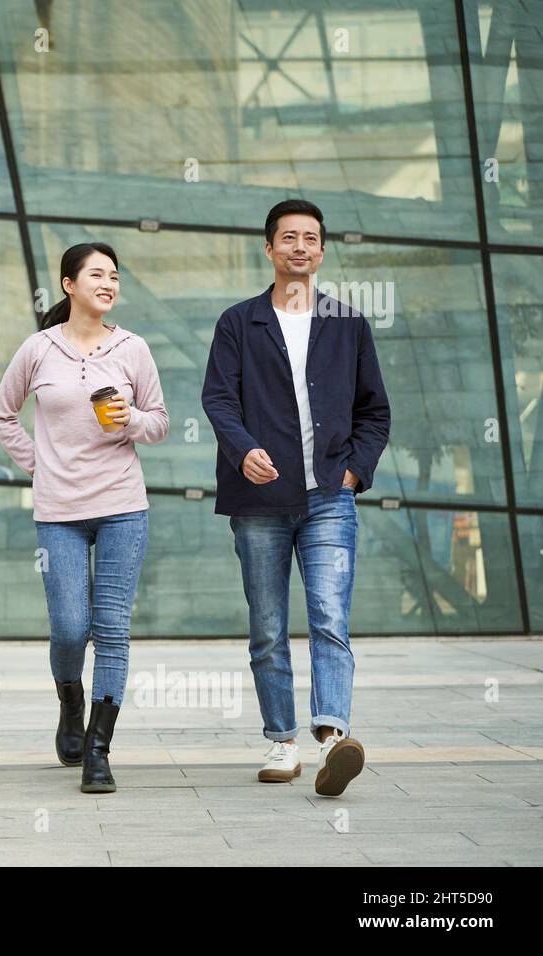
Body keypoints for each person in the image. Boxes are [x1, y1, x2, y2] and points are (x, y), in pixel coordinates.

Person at [201, 199, 390, 796]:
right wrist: (242, 449)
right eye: (288, 238)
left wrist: (355, 473)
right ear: (269, 249)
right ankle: (281, 741)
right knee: (267, 625)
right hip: (259, 501)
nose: (300, 247)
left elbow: (375, 412)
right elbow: (218, 399)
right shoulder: (239, 322)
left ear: (323, 250)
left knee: (331, 618)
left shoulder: (348, 324)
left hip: (330, 497)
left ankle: (333, 736)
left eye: (311, 238)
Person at [0, 242, 168, 793]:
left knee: (112, 629)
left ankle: (98, 747)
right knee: (70, 627)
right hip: (59, 512)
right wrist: (38, 465)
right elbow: (0, 414)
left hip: (122, 507)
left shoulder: (134, 349)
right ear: (68, 284)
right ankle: (70, 695)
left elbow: (160, 422)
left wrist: (132, 419)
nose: (108, 283)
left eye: (115, 275)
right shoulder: (38, 349)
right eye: (97, 274)